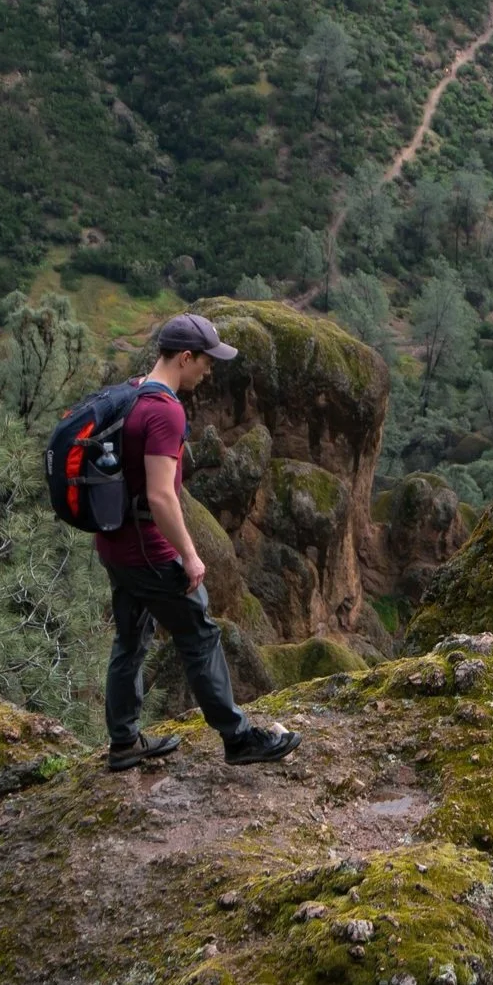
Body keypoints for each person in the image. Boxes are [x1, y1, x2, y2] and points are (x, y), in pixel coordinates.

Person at [95, 313, 297, 771]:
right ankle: (238, 737)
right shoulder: (165, 410)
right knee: (200, 635)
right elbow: (161, 495)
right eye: (206, 361)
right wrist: (189, 554)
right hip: (149, 549)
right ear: (185, 357)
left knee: (131, 639)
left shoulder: (129, 393)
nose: (209, 370)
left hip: (115, 546)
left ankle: (124, 742)